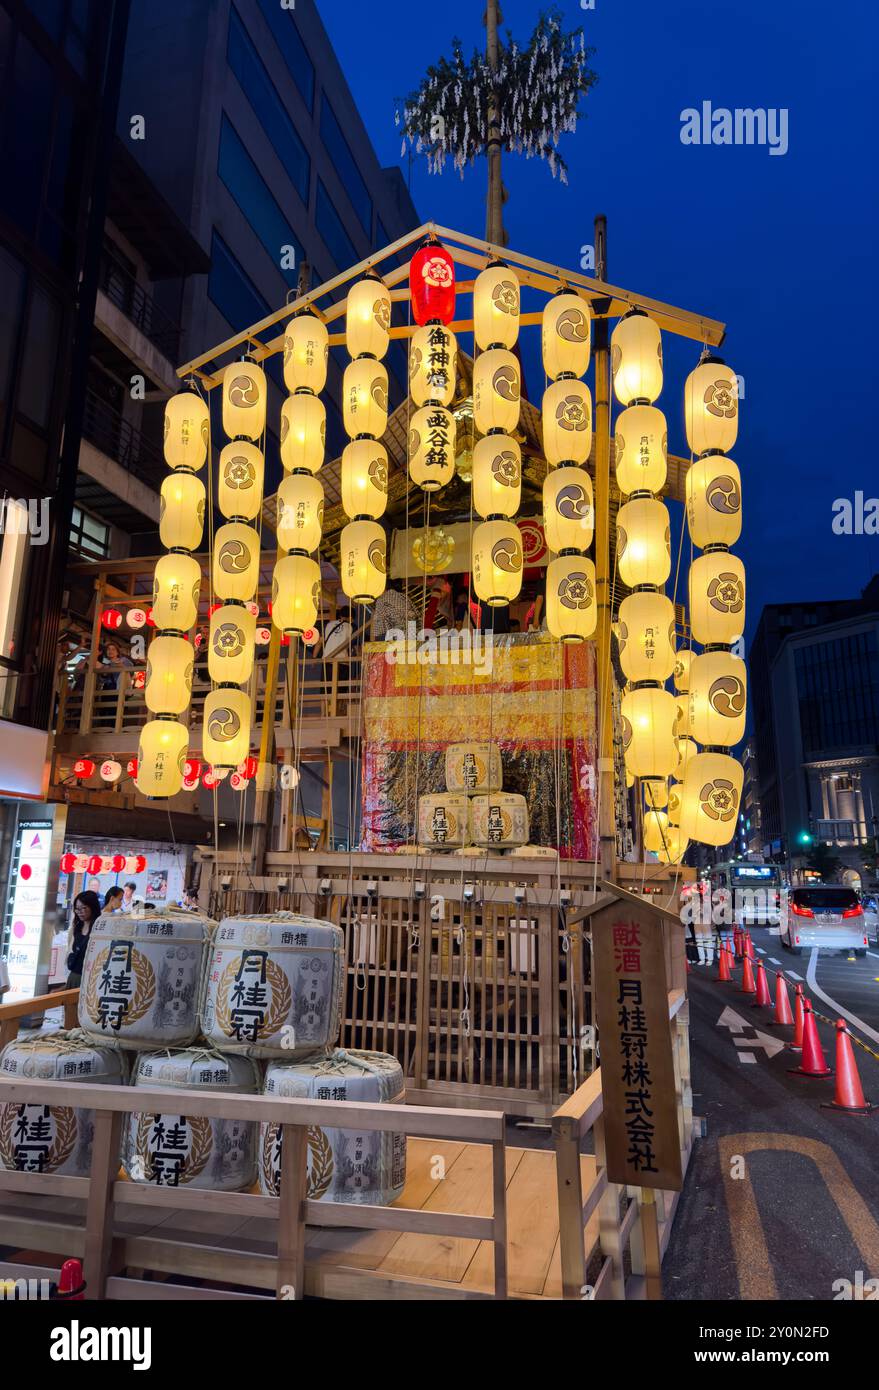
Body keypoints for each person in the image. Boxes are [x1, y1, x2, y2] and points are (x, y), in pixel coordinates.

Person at [66, 891, 102, 987]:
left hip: (90, 979)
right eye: (77, 909)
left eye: (84, 908)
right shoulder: (77, 926)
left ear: (93, 907)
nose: (80, 912)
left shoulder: (99, 928)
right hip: (74, 976)